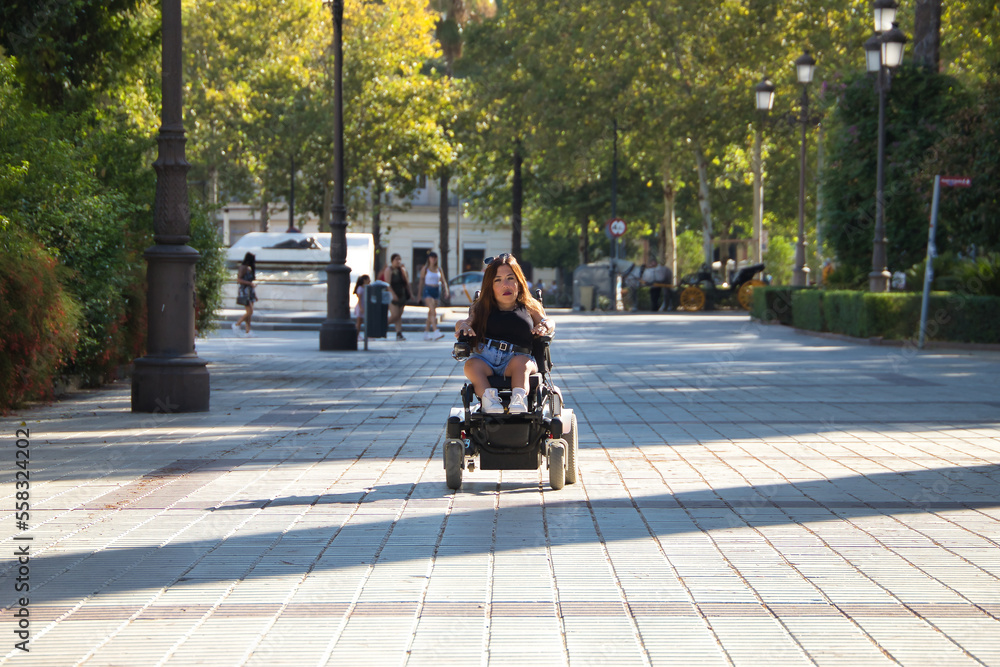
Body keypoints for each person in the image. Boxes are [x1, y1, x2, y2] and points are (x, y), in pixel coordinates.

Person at [454, 254, 555, 415]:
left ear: (519, 282)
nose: (505, 285)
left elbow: (549, 322)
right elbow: (464, 322)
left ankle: (518, 399)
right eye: (497, 280)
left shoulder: (529, 305)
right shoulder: (481, 307)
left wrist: (544, 326)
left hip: (517, 357)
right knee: (471, 366)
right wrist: (463, 326)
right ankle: (489, 400)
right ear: (490, 285)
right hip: (485, 356)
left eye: (510, 278)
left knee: (521, 364)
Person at [380, 253, 412, 341]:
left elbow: (406, 283)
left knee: (399, 315)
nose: (398, 261)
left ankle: (399, 333)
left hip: (402, 294)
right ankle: (382, 326)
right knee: (395, 314)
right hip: (392, 295)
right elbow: (388, 284)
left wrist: (410, 294)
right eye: (396, 259)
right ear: (392, 261)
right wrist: (393, 294)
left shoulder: (402, 270)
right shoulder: (389, 270)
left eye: (399, 259)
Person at [417, 251, 449, 340]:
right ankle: (436, 331)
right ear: (429, 258)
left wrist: (446, 290)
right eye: (431, 257)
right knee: (433, 311)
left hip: (436, 290)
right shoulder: (425, 268)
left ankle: (426, 333)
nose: (433, 259)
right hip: (428, 290)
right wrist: (419, 295)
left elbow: (443, 280)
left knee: (430, 312)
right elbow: (421, 282)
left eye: (435, 257)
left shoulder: (439, 269)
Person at [233, 252, 258, 337]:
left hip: (250, 292)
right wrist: (250, 284)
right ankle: (237, 324)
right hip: (244, 291)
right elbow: (239, 280)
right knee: (250, 311)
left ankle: (248, 331)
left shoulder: (248, 268)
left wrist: (254, 294)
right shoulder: (243, 268)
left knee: (249, 313)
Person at [353, 274, 371, 339]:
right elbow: (359, 299)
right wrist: (361, 308)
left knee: (365, 321)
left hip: (365, 306)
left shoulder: (366, 287)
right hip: (361, 306)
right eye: (368, 279)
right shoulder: (360, 288)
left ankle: (368, 335)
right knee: (359, 322)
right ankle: (356, 335)